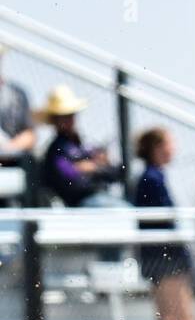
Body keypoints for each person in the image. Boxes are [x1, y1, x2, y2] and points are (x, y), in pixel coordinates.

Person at [133, 127, 195, 320]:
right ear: (157, 149)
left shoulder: (152, 176)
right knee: (182, 317)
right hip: (166, 258)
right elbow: (162, 221)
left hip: (162, 256)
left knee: (168, 317)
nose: (174, 149)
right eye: (169, 144)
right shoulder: (151, 178)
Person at [36, 86, 125, 208]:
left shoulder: (83, 145)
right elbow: (71, 181)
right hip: (82, 203)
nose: (70, 120)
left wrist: (93, 167)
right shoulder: (55, 151)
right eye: (64, 116)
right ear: (54, 120)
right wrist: (94, 167)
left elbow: (116, 172)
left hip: (97, 198)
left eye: (71, 115)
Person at [0, 43, 36, 203]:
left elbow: (30, 134)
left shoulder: (17, 93)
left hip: (12, 163)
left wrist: (7, 150)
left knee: (30, 163)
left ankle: (30, 220)